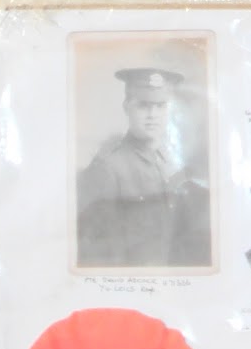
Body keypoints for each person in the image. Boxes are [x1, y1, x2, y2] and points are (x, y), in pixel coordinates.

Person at [76, 67, 209, 267]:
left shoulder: (172, 162)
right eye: (143, 106)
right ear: (127, 107)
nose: (152, 114)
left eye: (161, 106)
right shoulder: (108, 169)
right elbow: (97, 252)